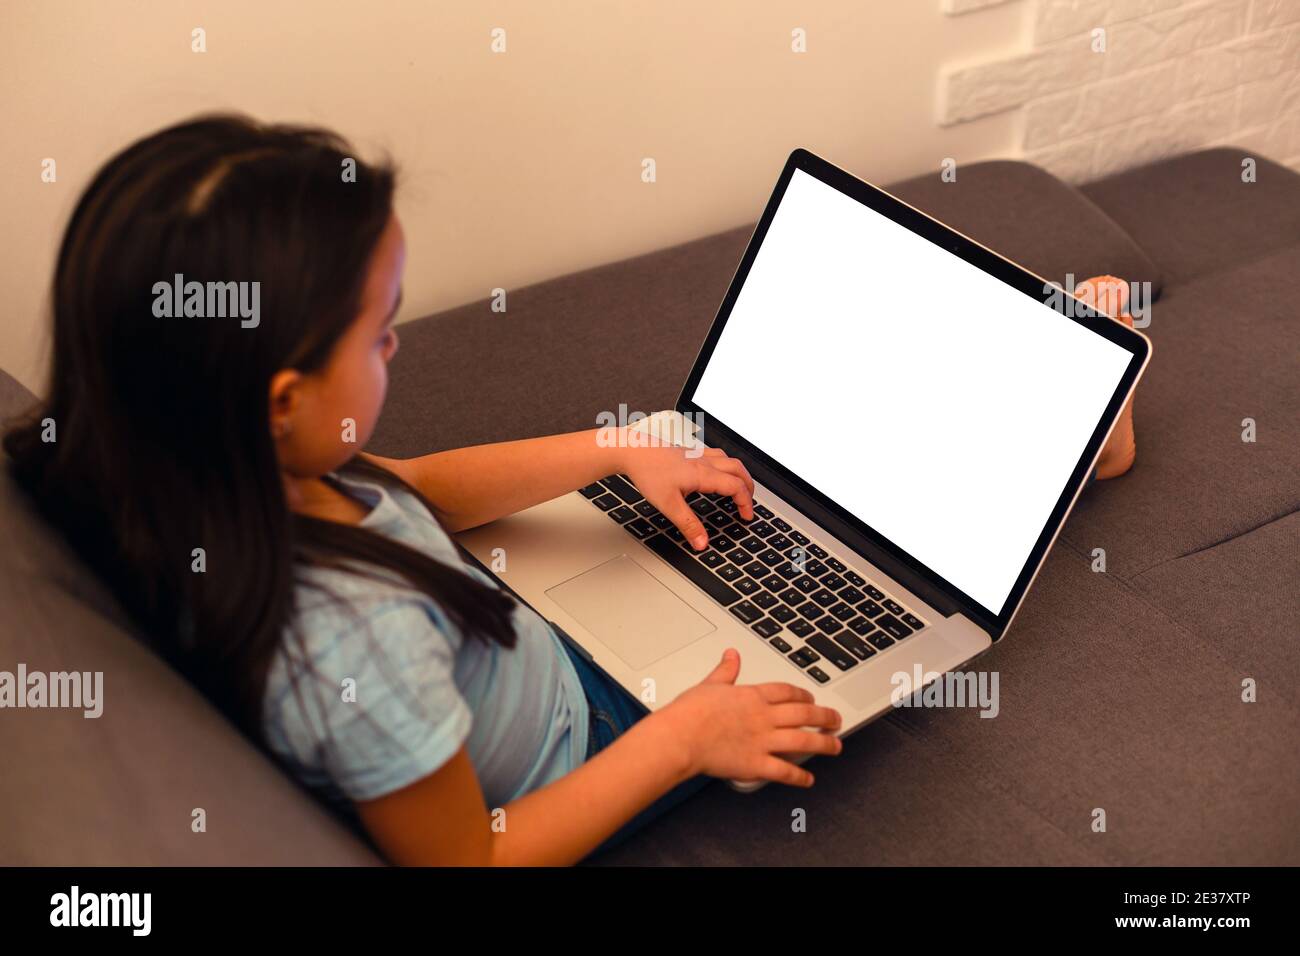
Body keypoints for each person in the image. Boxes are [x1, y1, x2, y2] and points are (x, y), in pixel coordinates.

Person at [2, 114, 1138, 866]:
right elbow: (474, 859)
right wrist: (684, 737)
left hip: (528, 636)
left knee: (764, 463)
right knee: (911, 532)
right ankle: (1080, 411)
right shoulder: (352, 645)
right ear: (281, 396)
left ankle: (1061, 389)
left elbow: (414, 488)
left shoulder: (195, 471)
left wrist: (612, 452)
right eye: (384, 333)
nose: (398, 349)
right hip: (600, 726)